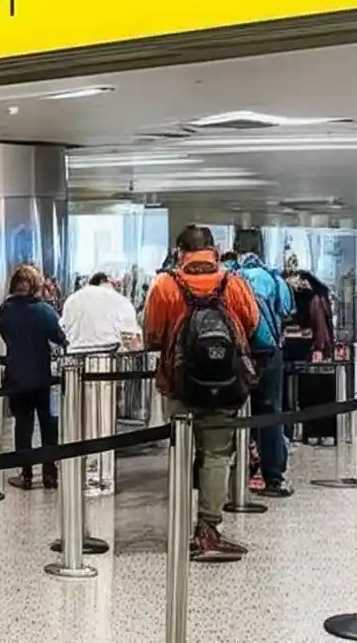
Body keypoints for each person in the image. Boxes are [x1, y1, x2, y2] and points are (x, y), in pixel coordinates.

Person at [144, 224, 259, 562]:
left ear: (180, 251)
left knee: (180, 449)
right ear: (214, 249)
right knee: (217, 454)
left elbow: (152, 333)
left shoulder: (165, 285)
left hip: (179, 384)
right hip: (224, 387)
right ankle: (208, 528)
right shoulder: (233, 283)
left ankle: (179, 525)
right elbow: (251, 323)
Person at [224, 250, 295, 496]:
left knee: (232, 409)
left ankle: (237, 465)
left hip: (239, 353)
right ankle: (273, 475)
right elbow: (287, 311)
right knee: (270, 411)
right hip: (269, 352)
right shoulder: (276, 280)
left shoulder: (232, 278)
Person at [0, 265, 67, 489]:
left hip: (16, 375)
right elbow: (60, 337)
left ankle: (26, 474)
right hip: (43, 376)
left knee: (23, 424)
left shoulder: (4, 310)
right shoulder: (44, 311)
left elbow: (5, 335)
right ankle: (49, 473)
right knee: (48, 423)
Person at [59, 272, 141, 352]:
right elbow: (131, 334)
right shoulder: (120, 300)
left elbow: (63, 328)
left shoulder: (71, 300)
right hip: (109, 354)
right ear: (104, 281)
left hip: (75, 354)